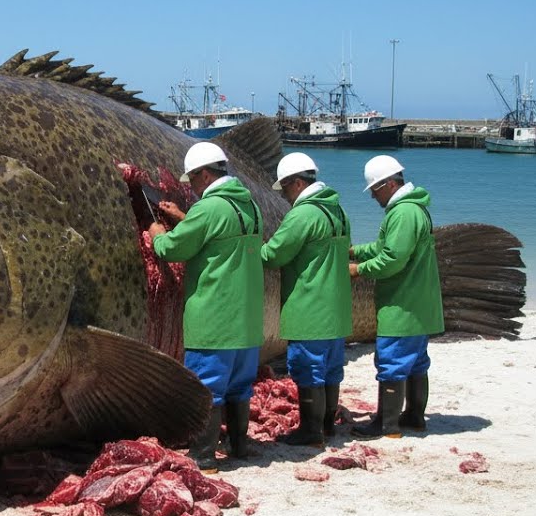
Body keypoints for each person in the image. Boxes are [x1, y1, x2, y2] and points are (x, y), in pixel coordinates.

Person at [147, 142, 264, 471]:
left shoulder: (208, 208)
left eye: (193, 180)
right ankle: (239, 445)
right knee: (239, 385)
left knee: (206, 387)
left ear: (205, 174)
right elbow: (220, 237)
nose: (192, 187)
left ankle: (203, 455)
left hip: (215, 315)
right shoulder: (250, 206)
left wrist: (157, 233)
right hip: (247, 317)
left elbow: (173, 248)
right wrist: (184, 217)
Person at [260, 153, 353, 447]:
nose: (284, 196)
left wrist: (247, 249)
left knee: (307, 368)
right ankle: (327, 427)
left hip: (309, 307)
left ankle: (311, 432)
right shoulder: (338, 211)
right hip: (336, 307)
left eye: (285, 188)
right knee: (331, 369)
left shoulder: (303, 214)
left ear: (298, 183)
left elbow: (274, 255)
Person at [349, 155, 444, 439]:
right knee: (416, 362)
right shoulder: (413, 209)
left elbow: (392, 259)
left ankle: (387, 425)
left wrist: (358, 270)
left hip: (403, 303)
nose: (373, 196)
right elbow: (384, 246)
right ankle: (414, 417)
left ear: (390, 184)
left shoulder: (403, 213)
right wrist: (355, 251)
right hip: (419, 303)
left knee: (391, 361)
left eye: (375, 189)